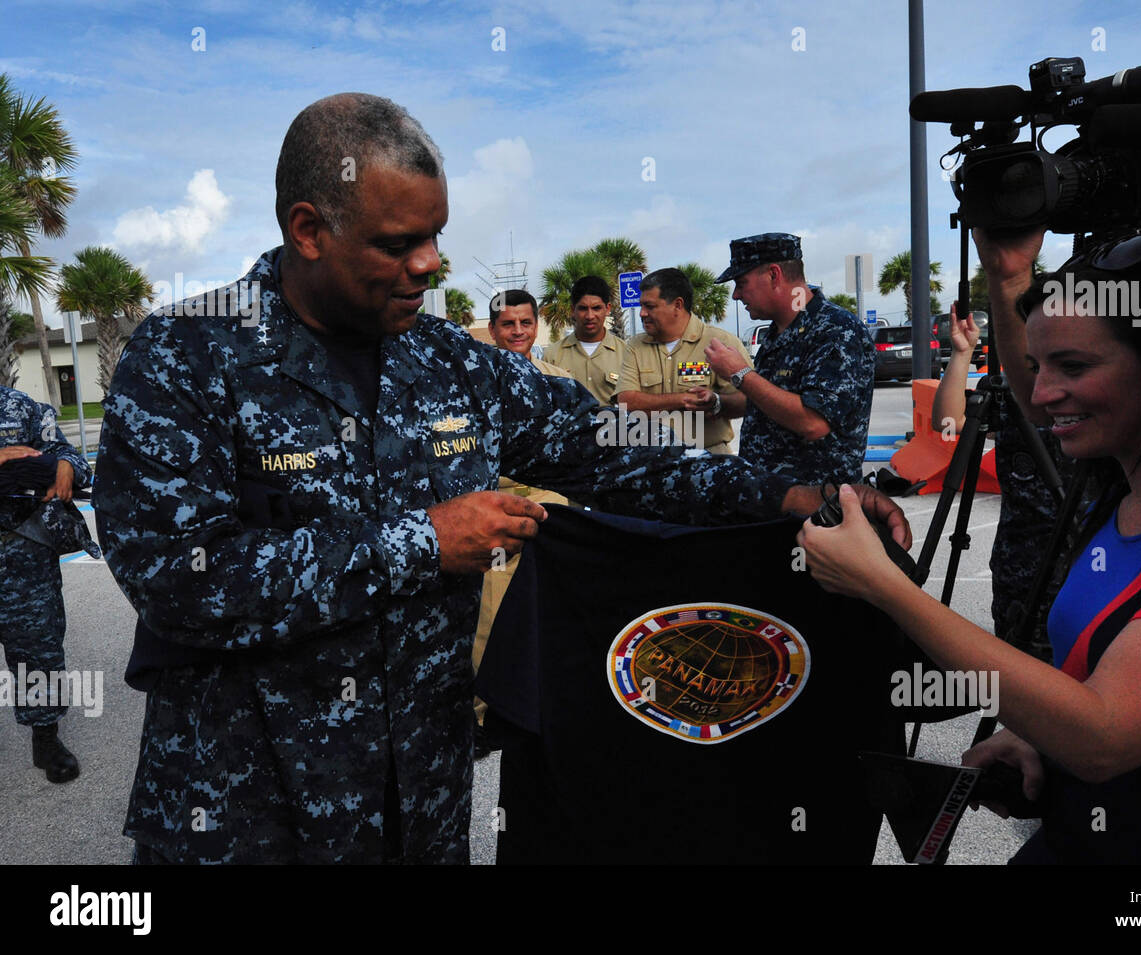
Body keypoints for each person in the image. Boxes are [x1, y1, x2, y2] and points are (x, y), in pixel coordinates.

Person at [92, 92, 911, 864]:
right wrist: (423, 543)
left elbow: (607, 448)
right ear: (309, 228)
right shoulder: (187, 358)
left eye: (437, 237)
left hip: (421, 805)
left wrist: (780, 495)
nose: (430, 265)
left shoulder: (450, 363)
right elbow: (175, 579)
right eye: (398, 243)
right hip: (247, 814)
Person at [800, 244, 1141, 864]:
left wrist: (886, 587)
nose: (1040, 395)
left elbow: (1105, 734)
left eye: (1072, 365)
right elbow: (1107, 687)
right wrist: (1038, 737)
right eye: (1036, 366)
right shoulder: (1118, 504)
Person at [931, 303, 1078, 660]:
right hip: (1020, 568)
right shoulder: (1010, 389)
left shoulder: (1089, 390)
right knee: (1022, 677)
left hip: (1084, 557)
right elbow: (948, 420)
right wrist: (962, 354)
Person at [475, 287, 574, 750]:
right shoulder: (469, 380)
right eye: (507, 324)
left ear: (538, 326)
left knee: (546, 613)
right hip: (492, 503)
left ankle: (542, 701)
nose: (517, 332)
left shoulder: (558, 379)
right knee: (489, 614)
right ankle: (482, 714)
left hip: (548, 504)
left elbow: (582, 446)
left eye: (525, 323)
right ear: (493, 329)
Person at [705, 233, 875, 486]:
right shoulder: (778, 332)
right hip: (772, 500)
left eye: (741, 283)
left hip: (817, 509)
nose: (736, 296)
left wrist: (740, 373)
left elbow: (814, 422)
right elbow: (767, 404)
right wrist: (718, 403)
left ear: (774, 275)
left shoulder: (836, 330)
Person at [0, 385, 97, 783]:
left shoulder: (19, 405)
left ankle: (46, 737)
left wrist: (67, 467)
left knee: (38, 646)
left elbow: (65, 451)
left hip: (21, 547)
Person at [615, 267, 750, 454]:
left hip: (710, 458)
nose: (642, 313)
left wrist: (717, 402)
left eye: (650, 306)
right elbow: (627, 402)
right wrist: (683, 399)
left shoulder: (720, 343)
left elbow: (748, 401)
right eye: (641, 306)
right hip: (652, 462)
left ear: (678, 305)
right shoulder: (636, 346)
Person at [542, 276, 626, 404]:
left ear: (607, 309)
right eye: (583, 308)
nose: (590, 316)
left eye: (596, 308)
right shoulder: (552, 355)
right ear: (572, 310)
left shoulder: (626, 354)